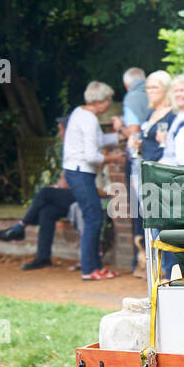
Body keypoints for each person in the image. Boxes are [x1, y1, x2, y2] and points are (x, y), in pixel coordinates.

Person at [62, 81, 126, 280]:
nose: (109, 104)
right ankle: (89, 269)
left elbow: (96, 141)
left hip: (76, 171)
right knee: (93, 218)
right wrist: (114, 158)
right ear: (99, 101)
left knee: (93, 218)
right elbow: (92, 155)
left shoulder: (79, 113)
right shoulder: (89, 119)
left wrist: (119, 137)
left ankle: (95, 267)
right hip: (81, 172)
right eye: (108, 100)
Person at [0, 117, 75, 269]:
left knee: (45, 193)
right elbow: (66, 178)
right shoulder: (69, 149)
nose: (59, 134)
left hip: (85, 196)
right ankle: (43, 257)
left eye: (61, 130)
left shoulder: (79, 148)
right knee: (47, 211)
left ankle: (20, 227)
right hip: (72, 194)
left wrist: (64, 185)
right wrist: (59, 185)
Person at [126, 70, 177, 275]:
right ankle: (155, 271)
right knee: (150, 224)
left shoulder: (172, 115)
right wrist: (137, 144)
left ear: (166, 89)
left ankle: (168, 270)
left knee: (161, 224)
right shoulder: (150, 113)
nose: (149, 91)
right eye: (147, 87)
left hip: (161, 175)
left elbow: (169, 148)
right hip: (143, 172)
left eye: (154, 87)